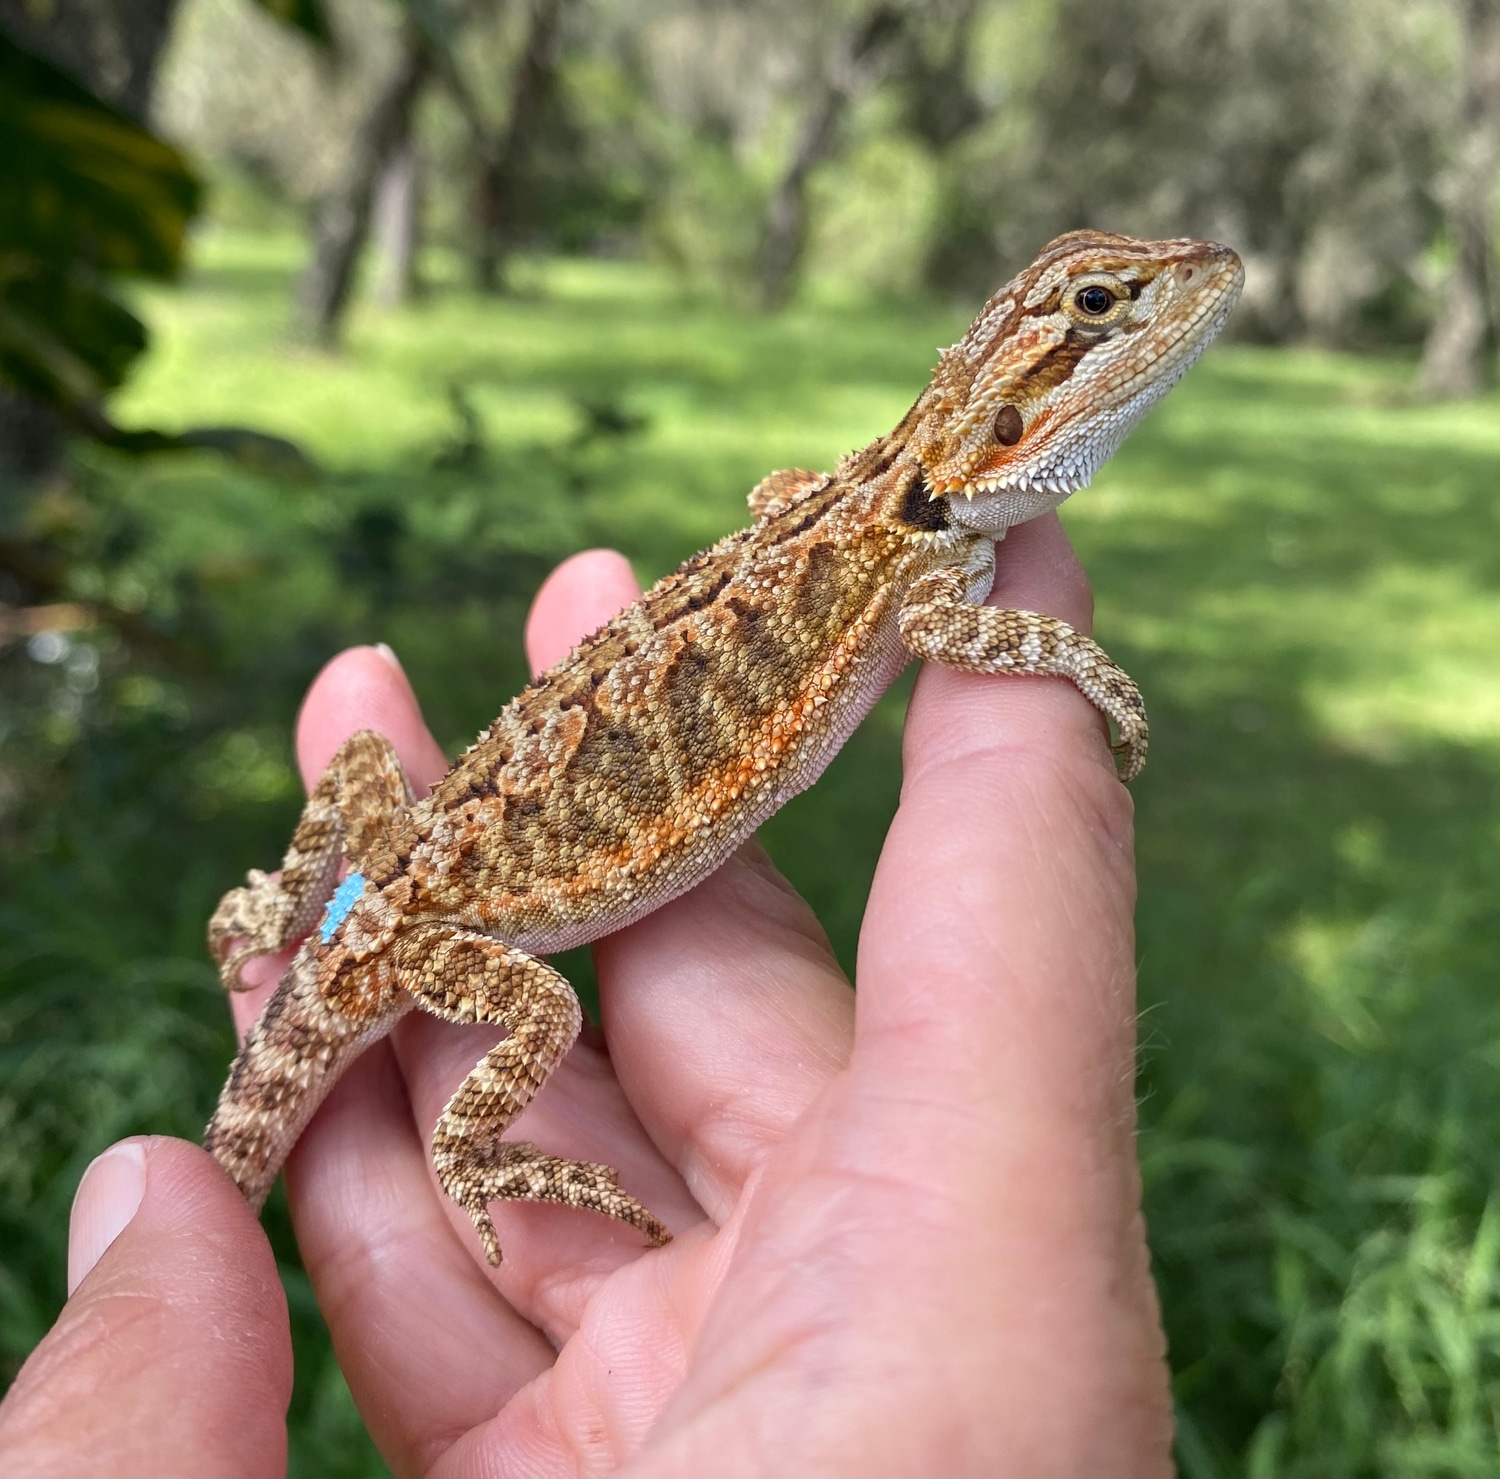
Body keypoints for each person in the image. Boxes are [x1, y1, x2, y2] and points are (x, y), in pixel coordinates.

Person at [0, 516, 1172, 1476]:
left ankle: (286, 909)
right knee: (543, 1009)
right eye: (1093, 314)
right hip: (416, 930)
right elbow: (922, 611)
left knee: (366, 767)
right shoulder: (895, 543)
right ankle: (467, 1148)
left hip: (404, 890)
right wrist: (1059, 649)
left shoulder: (878, 523)